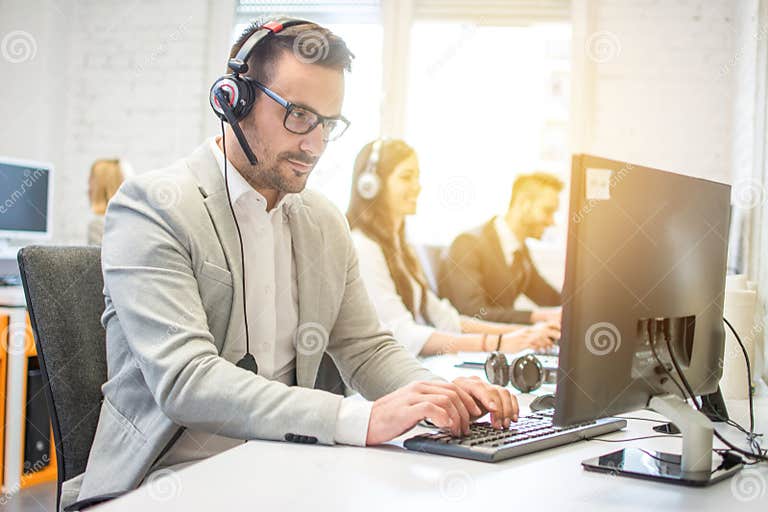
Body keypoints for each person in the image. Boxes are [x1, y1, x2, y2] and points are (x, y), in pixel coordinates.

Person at [64, 18, 518, 509]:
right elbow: (187, 380)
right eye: (299, 115)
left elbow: (366, 350)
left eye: (328, 123)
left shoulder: (322, 221)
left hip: (283, 467)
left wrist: (440, 395)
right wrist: (359, 419)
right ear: (233, 100)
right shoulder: (153, 206)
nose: (315, 145)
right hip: (163, 480)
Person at [346, 139, 559, 356]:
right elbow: (402, 333)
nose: (417, 186)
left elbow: (446, 319)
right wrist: (496, 343)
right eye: (406, 177)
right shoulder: (364, 248)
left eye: (418, 176)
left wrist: (520, 335)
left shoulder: (401, 249)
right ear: (370, 185)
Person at [439, 172, 564, 325]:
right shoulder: (467, 244)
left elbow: (548, 297)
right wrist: (538, 317)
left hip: (501, 342)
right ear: (524, 204)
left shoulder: (519, 251)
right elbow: (473, 312)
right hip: (469, 343)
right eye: (547, 211)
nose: (552, 222)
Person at [86, 158, 126, 245]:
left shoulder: (97, 224)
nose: (88, 189)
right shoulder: (128, 220)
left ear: (98, 188)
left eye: (90, 182)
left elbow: (97, 258)